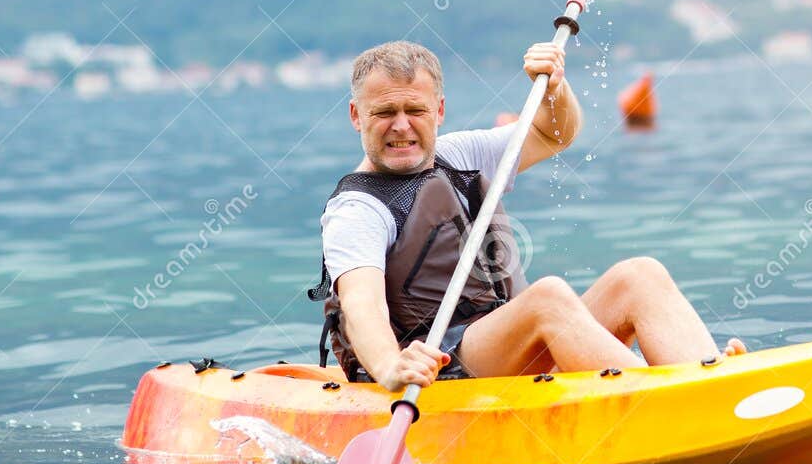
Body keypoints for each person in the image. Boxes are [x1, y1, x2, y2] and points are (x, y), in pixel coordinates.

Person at [310, 40, 744, 390]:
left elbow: (553, 134)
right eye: (385, 113)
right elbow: (362, 305)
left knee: (639, 275)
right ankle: (675, 398)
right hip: (435, 368)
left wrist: (555, 88)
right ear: (356, 116)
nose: (402, 126)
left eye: (415, 111)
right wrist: (391, 366)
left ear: (438, 111)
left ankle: (708, 377)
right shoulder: (357, 210)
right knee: (547, 299)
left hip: (502, 344)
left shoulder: (461, 154)